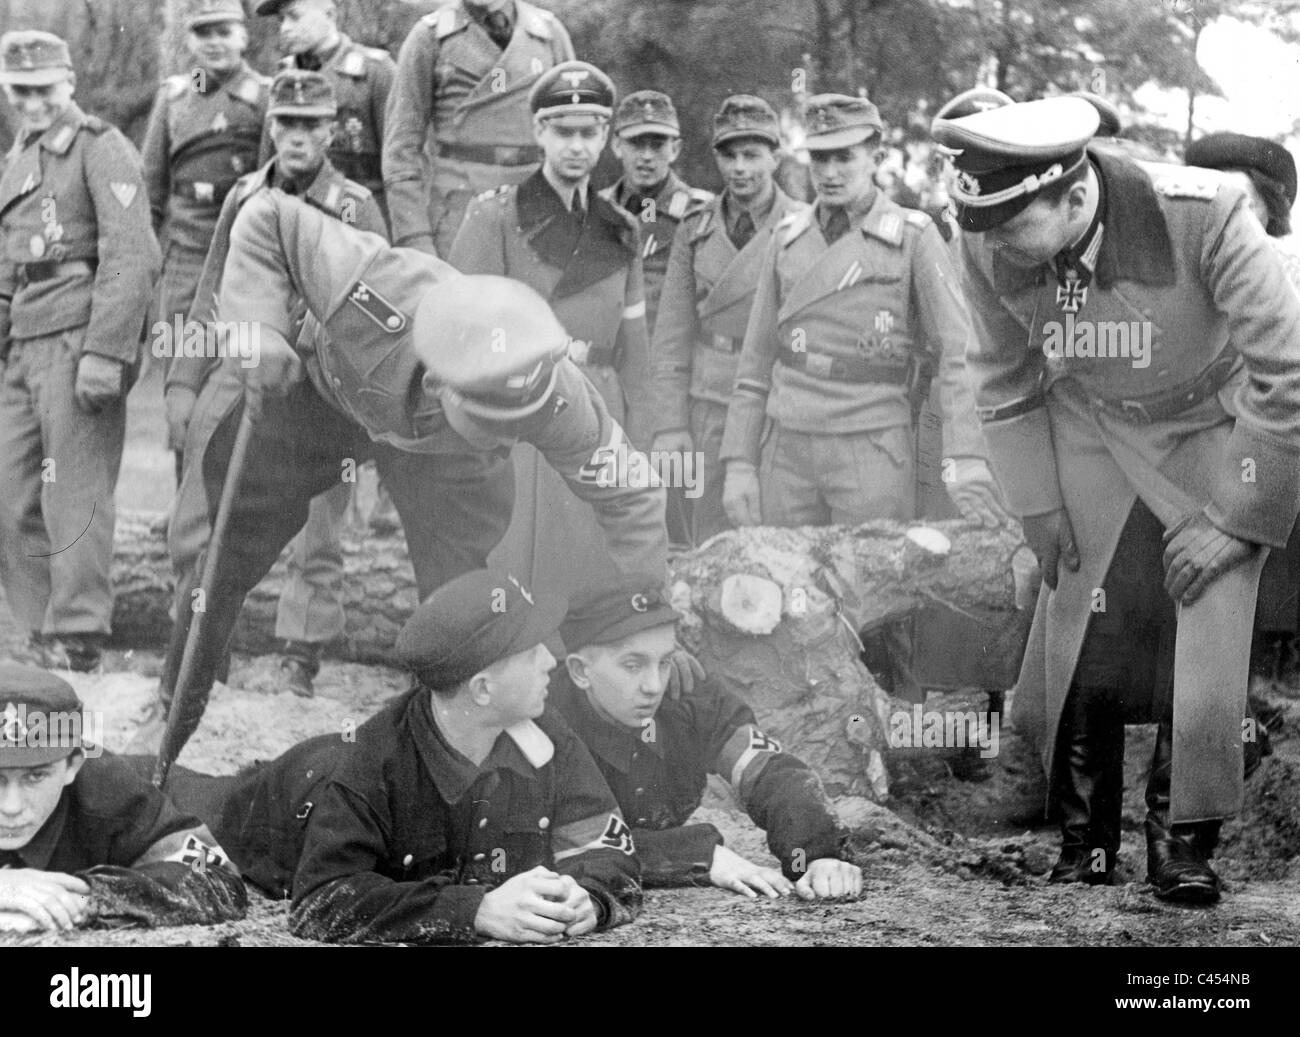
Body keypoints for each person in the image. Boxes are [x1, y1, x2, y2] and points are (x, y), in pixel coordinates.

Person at [133, 187, 668, 760]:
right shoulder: (369, 282)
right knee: (224, 554)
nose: (511, 437)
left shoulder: (558, 397)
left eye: (521, 421)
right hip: (322, 399)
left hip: (445, 459)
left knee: (465, 600)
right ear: (442, 383)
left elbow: (633, 496)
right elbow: (264, 214)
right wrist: (258, 327)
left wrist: (644, 614)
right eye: (493, 421)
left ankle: (446, 750)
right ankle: (173, 711)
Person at [931, 96, 1300, 904]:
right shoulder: (988, 231)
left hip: (1207, 420)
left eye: (1009, 229)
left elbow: (1290, 374)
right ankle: (1082, 840)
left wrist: (1235, 520)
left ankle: (1183, 841)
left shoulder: (1207, 215)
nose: (992, 247)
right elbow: (1000, 375)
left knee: (1204, 618)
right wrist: (1037, 504)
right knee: (1078, 612)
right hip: (1089, 421)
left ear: (1073, 196)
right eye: (982, 228)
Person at [163, 69, 387, 704]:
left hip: (320, 390)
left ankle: (299, 657)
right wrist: (184, 381)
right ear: (270, 126)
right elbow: (209, 290)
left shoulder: (354, 206)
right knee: (197, 532)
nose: (297, 136)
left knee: (318, 535)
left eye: (311, 124)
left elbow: (377, 305)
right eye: (286, 123)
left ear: (332, 130)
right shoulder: (243, 196)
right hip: (238, 378)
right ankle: (197, 670)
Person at [281, 568, 641, 944]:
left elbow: (606, 845)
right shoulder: (374, 761)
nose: (550, 660)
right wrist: (473, 911)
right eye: (532, 650)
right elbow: (317, 905)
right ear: (483, 690)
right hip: (295, 787)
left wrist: (590, 896)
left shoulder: (545, 735)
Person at [450, 60, 655, 600]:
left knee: (601, 566)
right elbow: (463, 339)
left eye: (590, 133)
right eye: (563, 132)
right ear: (538, 132)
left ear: (606, 137)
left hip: (600, 407)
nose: (576, 146)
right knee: (524, 565)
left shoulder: (623, 229)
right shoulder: (495, 215)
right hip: (524, 411)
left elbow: (634, 351)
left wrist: (643, 439)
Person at [0, 29, 160, 673]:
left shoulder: (100, 145)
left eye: (44, 90)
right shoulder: (16, 160)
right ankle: (32, 631)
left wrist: (106, 351)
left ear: (67, 82)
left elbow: (132, 251)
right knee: (9, 494)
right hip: (23, 345)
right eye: (20, 92)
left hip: (77, 336)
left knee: (75, 494)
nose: (34, 103)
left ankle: (77, 637)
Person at [551, 576, 863, 900]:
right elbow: (575, 847)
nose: (654, 686)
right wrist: (703, 855)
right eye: (633, 665)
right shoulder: (541, 726)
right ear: (580, 671)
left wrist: (816, 855)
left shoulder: (686, 694)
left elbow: (770, 772)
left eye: (664, 660)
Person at [650, 95, 807, 543]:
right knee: (709, 537)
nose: (740, 168)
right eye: (729, 155)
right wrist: (670, 424)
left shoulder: (803, 226)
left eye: (752, 155)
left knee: (773, 533)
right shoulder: (695, 227)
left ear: (775, 157)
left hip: (774, 405)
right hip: (709, 403)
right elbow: (671, 335)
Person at [0, 665, 245, 934]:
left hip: (175, 787)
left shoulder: (110, 792)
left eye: (35, 777)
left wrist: (82, 900)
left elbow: (212, 873)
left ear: (72, 766)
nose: (11, 807)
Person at [141, 0, 268, 481]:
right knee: (182, 382)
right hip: (184, 263)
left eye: (223, 30)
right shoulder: (174, 99)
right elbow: (151, 187)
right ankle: (184, 502)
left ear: (243, 36)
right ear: (190, 40)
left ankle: (238, 511)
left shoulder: (265, 98)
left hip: (241, 260)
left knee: (242, 379)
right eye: (202, 32)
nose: (213, 41)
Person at [382, 0, 574, 256]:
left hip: (537, 208)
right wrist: (415, 239)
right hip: (459, 213)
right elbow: (401, 151)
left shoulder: (549, 34)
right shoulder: (430, 37)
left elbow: (574, 132)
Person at [254, 0, 394, 228]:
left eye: (294, 16)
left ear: (329, 13)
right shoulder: (284, 74)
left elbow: (400, 160)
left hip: (355, 214)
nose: (285, 28)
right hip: (296, 218)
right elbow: (268, 161)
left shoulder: (374, 72)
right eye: (281, 20)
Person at [600, 90, 713, 337]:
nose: (647, 156)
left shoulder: (701, 214)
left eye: (657, 144)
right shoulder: (595, 211)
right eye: (637, 144)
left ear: (675, 149)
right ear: (617, 146)